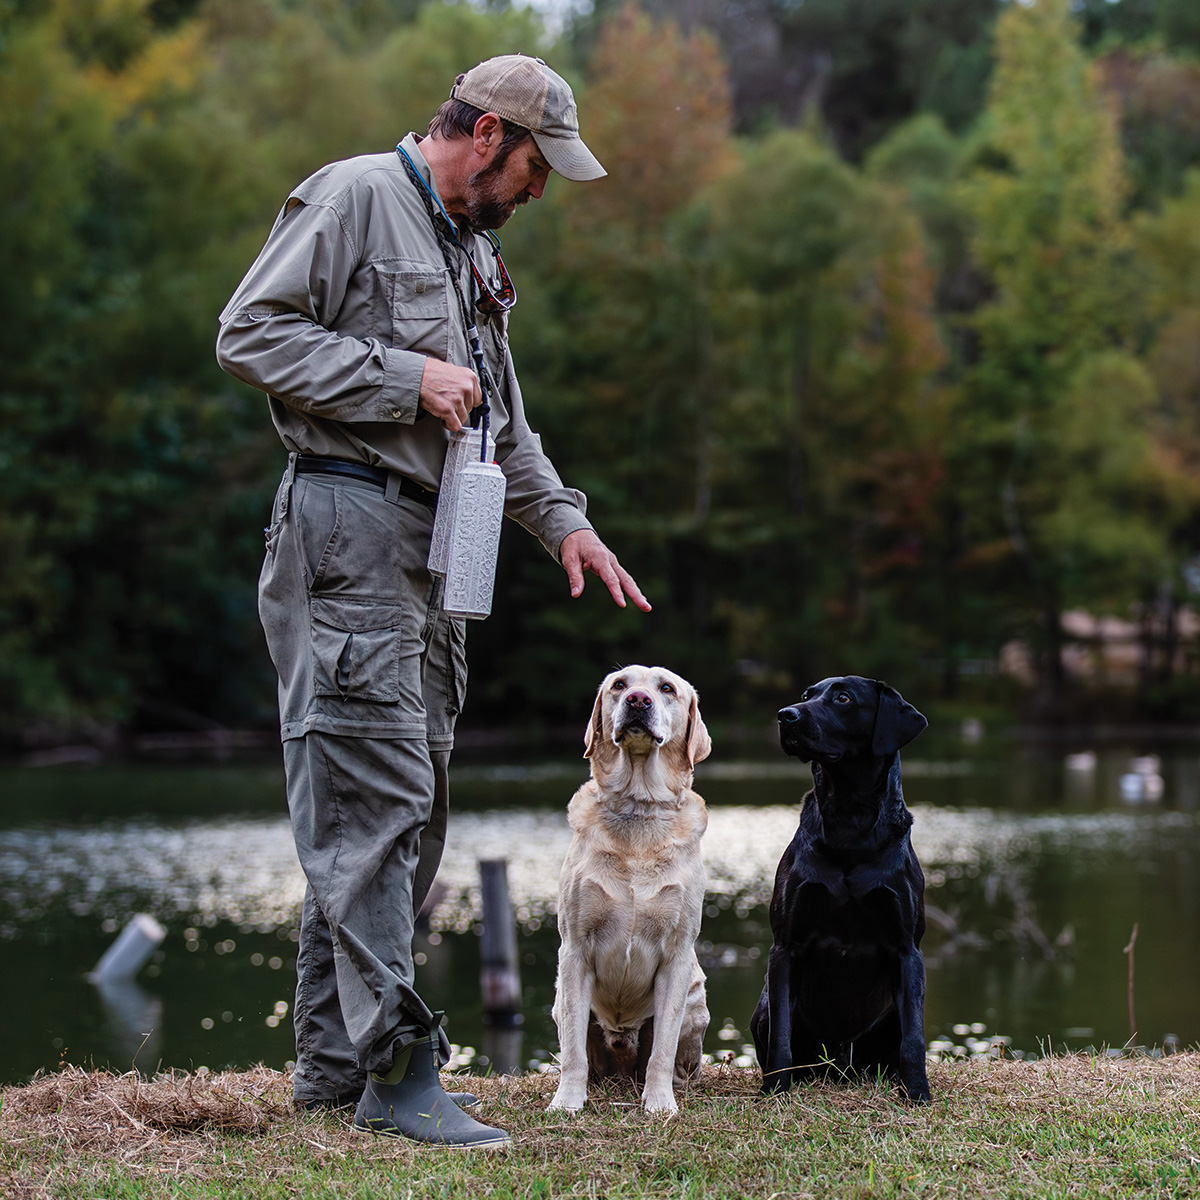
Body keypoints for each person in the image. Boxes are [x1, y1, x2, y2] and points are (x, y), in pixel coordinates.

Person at [215, 55, 649, 1148]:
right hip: (348, 532)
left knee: (407, 814)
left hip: (434, 551)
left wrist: (568, 525)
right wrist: (400, 379)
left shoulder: (473, 251)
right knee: (375, 803)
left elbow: (504, 419)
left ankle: (332, 1076)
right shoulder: (357, 195)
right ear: (490, 132)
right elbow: (249, 334)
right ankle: (404, 1075)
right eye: (538, 167)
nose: (542, 191)